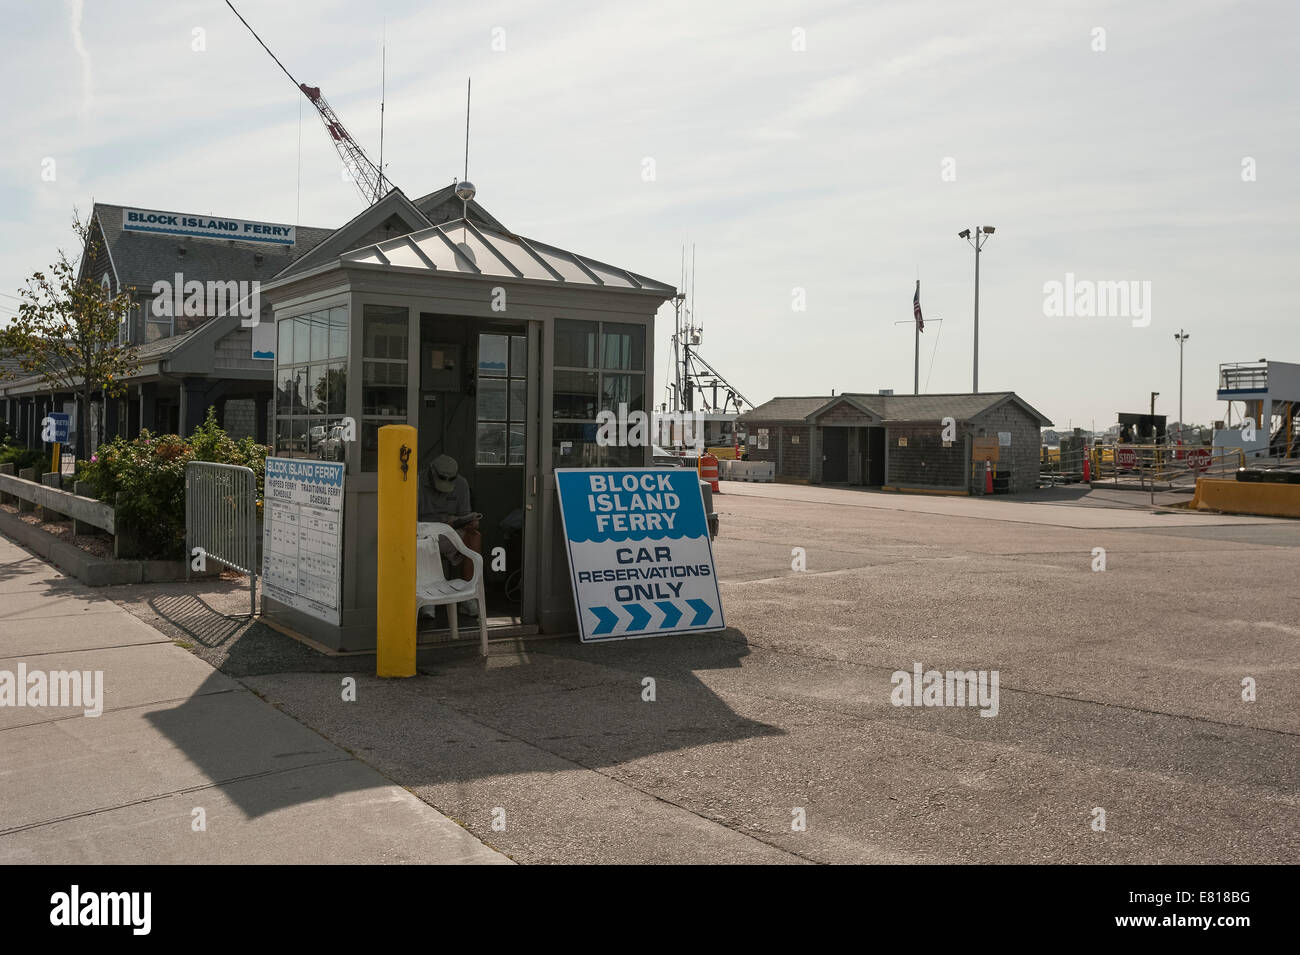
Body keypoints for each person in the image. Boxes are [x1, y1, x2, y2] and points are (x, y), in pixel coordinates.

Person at [417, 453, 483, 617]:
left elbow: (464, 513)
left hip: (451, 533)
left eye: (450, 480)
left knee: (474, 536)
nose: (445, 484)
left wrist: (469, 522)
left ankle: (469, 593)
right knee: (423, 541)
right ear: (431, 472)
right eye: (441, 479)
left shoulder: (461, 484)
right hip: (422, 533)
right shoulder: (416, 482)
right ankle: (425, 595)